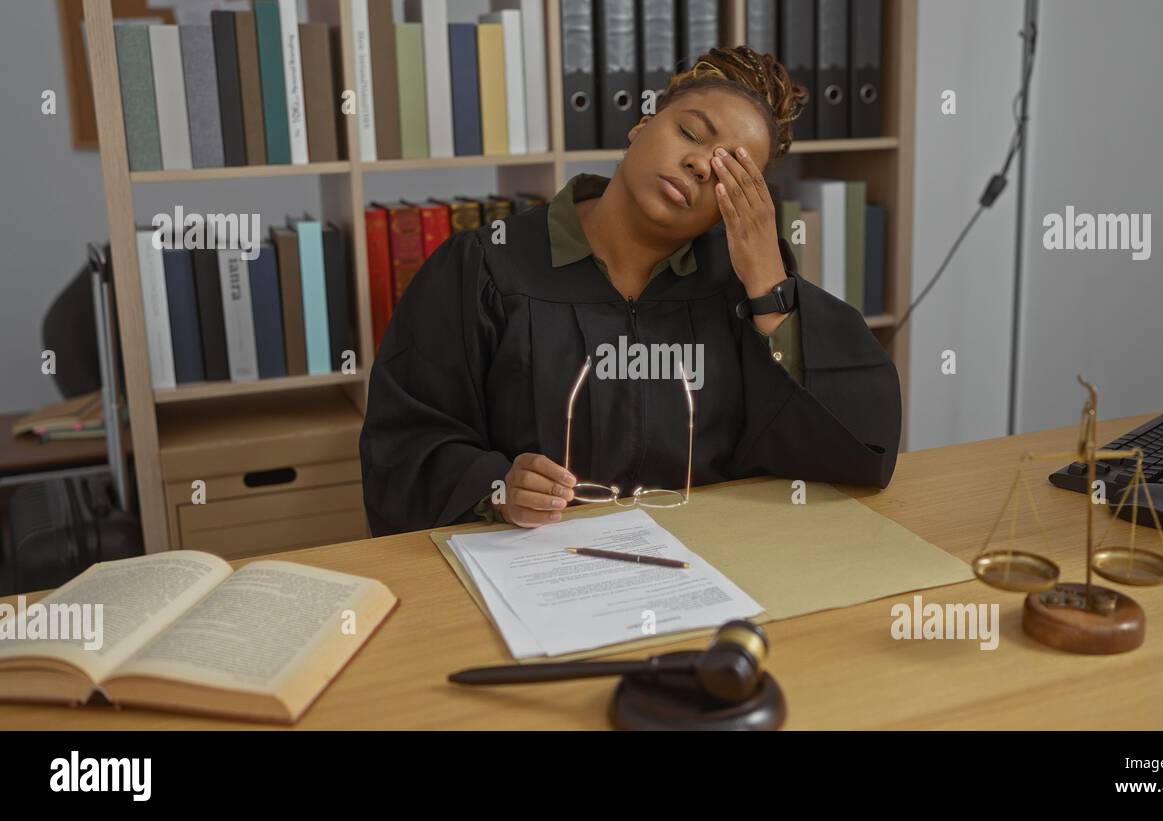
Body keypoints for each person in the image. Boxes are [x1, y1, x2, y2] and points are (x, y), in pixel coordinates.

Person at [360, 46, 901, 534]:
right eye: (691, 134)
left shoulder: (739, 290)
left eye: (730, 173)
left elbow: (856, 449)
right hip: (534, 567)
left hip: (711, 564)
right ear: (641, 127)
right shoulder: (487, 266)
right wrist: (494, 485)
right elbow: (404, 443)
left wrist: (768, 282)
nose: (698, 164)